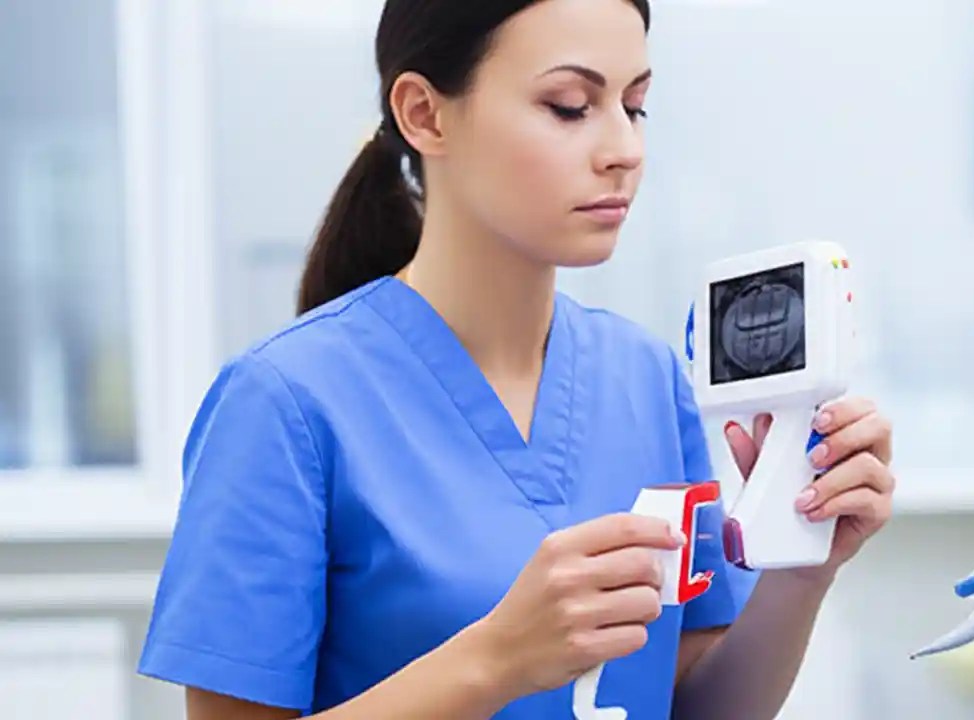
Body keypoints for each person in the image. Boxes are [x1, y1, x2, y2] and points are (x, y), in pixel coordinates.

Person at [136, 1, 897, 718]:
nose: (624, 152)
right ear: (424, 114)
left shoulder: (645, 378)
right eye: (570, 106)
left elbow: (692, 708)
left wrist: (804, 567)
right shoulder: (283, 404)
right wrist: (496, 659)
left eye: (635, 107)